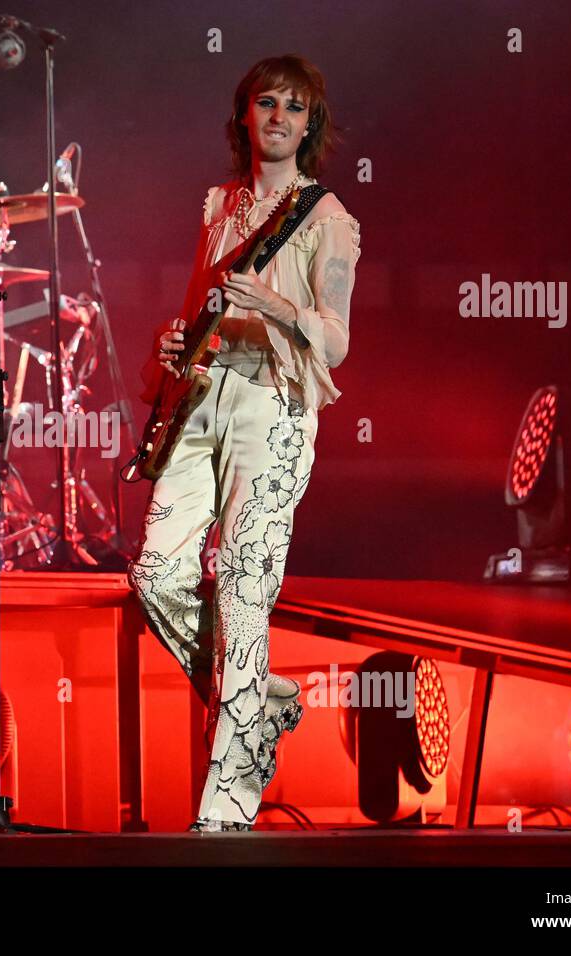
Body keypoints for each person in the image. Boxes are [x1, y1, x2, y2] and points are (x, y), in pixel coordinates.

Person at [127, 55, 361, 832]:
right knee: (156, 574)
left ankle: (225, 812)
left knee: (244, 590)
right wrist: (173, 342)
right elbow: (200, 306)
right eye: (267, 104)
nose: (280, 119)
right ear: (245, 116)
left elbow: (334, 343)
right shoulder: (220, 204)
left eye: (296, 108)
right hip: (204, 395)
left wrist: (279, 303)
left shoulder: (328, 218)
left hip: (276, 405)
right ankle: (258, 698)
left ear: (310, 124)